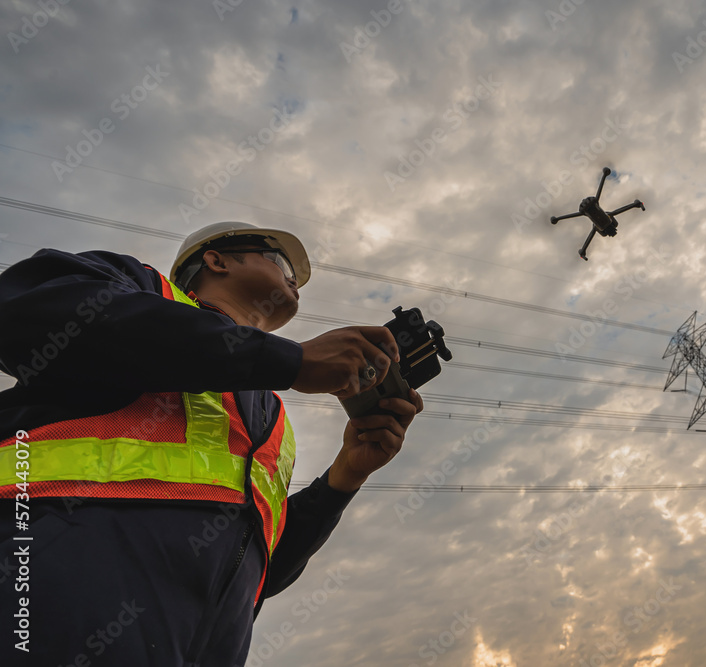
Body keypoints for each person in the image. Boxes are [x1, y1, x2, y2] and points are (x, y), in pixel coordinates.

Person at [0, 221, 422, 665]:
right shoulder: (137, 286)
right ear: (216, 259)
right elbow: (26, 314)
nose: (294, 280)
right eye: (280, 262)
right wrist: (288, 359)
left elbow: (259, 564)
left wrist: (344, 476)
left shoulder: (270, 413)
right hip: (50, 579)